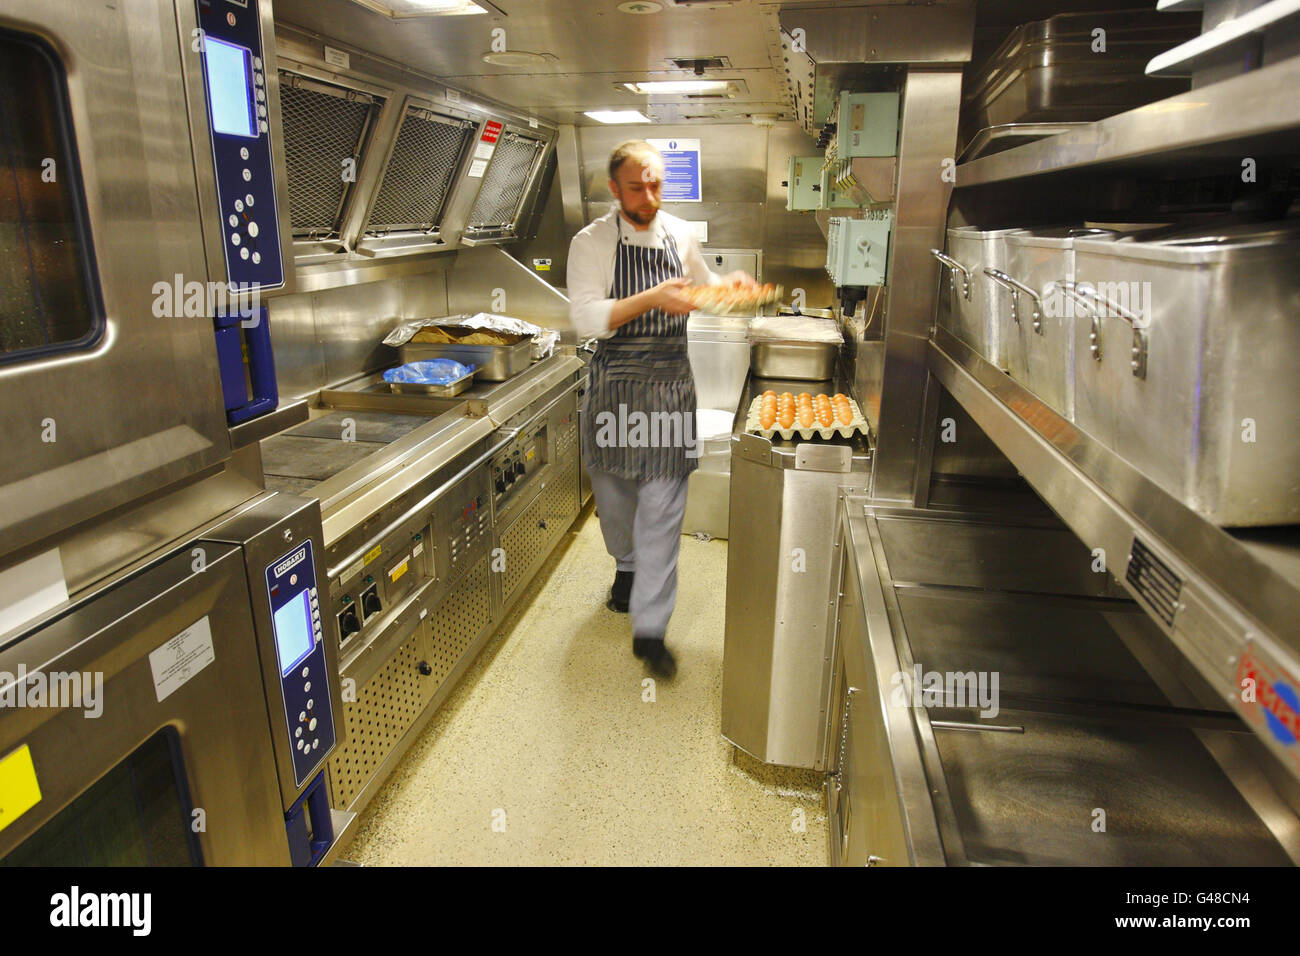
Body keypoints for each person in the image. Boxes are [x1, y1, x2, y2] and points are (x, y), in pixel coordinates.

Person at [567, 140, 756, 678]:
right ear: (613, 188)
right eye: (635, 187)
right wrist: (651, 297)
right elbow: (586, 319)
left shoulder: (679, 233)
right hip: (616, 389)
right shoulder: (593, 242)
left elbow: (703, 288)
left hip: (671, 384)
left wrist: (730, 287)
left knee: (664, 507)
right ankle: (626, 566)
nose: (648, 196)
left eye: (655, 185)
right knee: (616, 493)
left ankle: (650, 629)